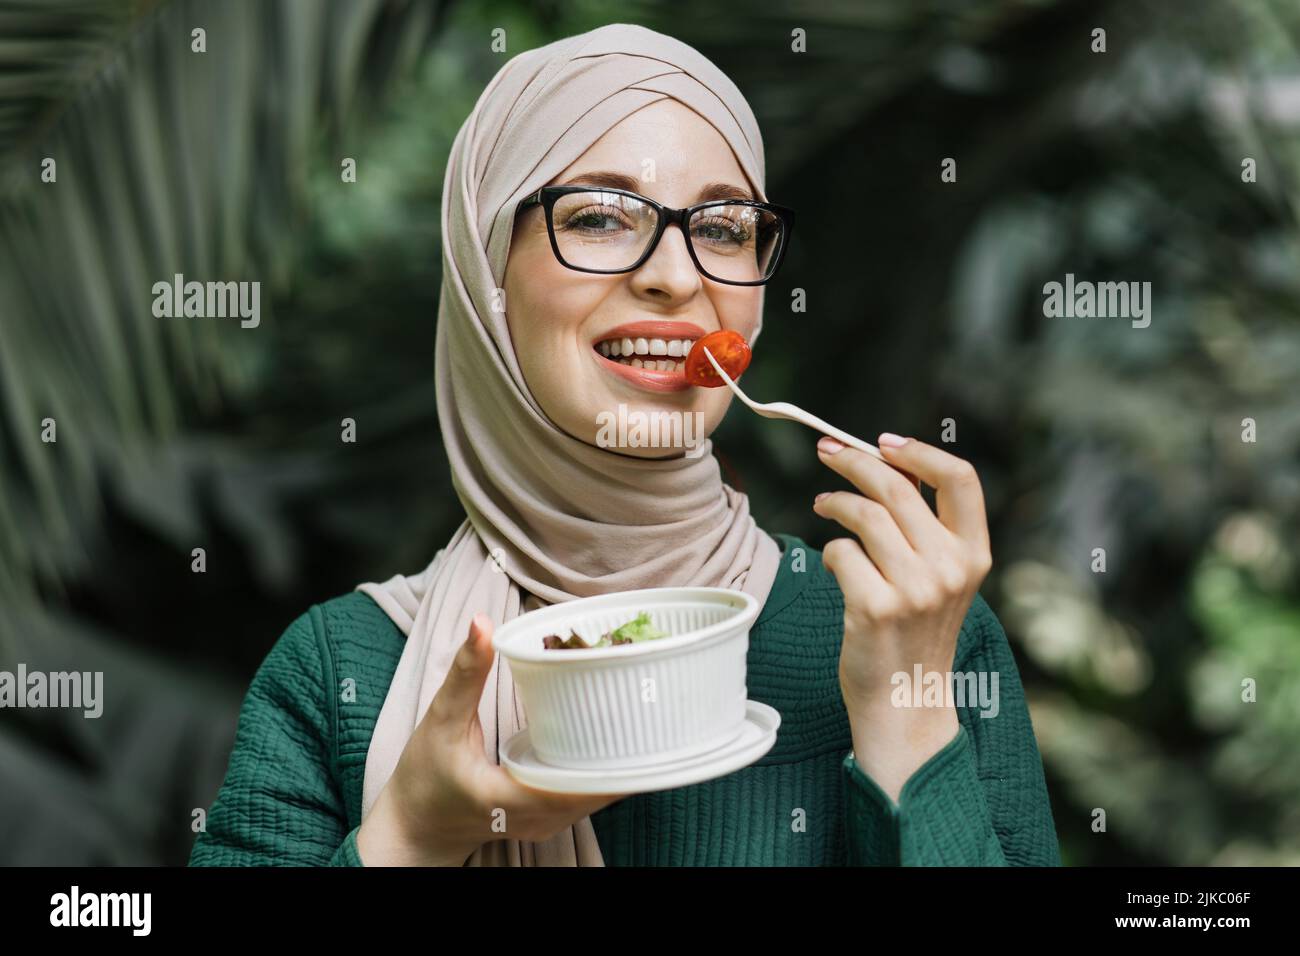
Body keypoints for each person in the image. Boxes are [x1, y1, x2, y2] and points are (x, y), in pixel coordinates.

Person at [188, 22, 1059, 867]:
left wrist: (906, 715)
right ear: (489, 271)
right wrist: (412, 834)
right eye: (602, 216)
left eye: (722, 228)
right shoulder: (340, 671)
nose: (676, 277)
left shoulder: (914, 631)